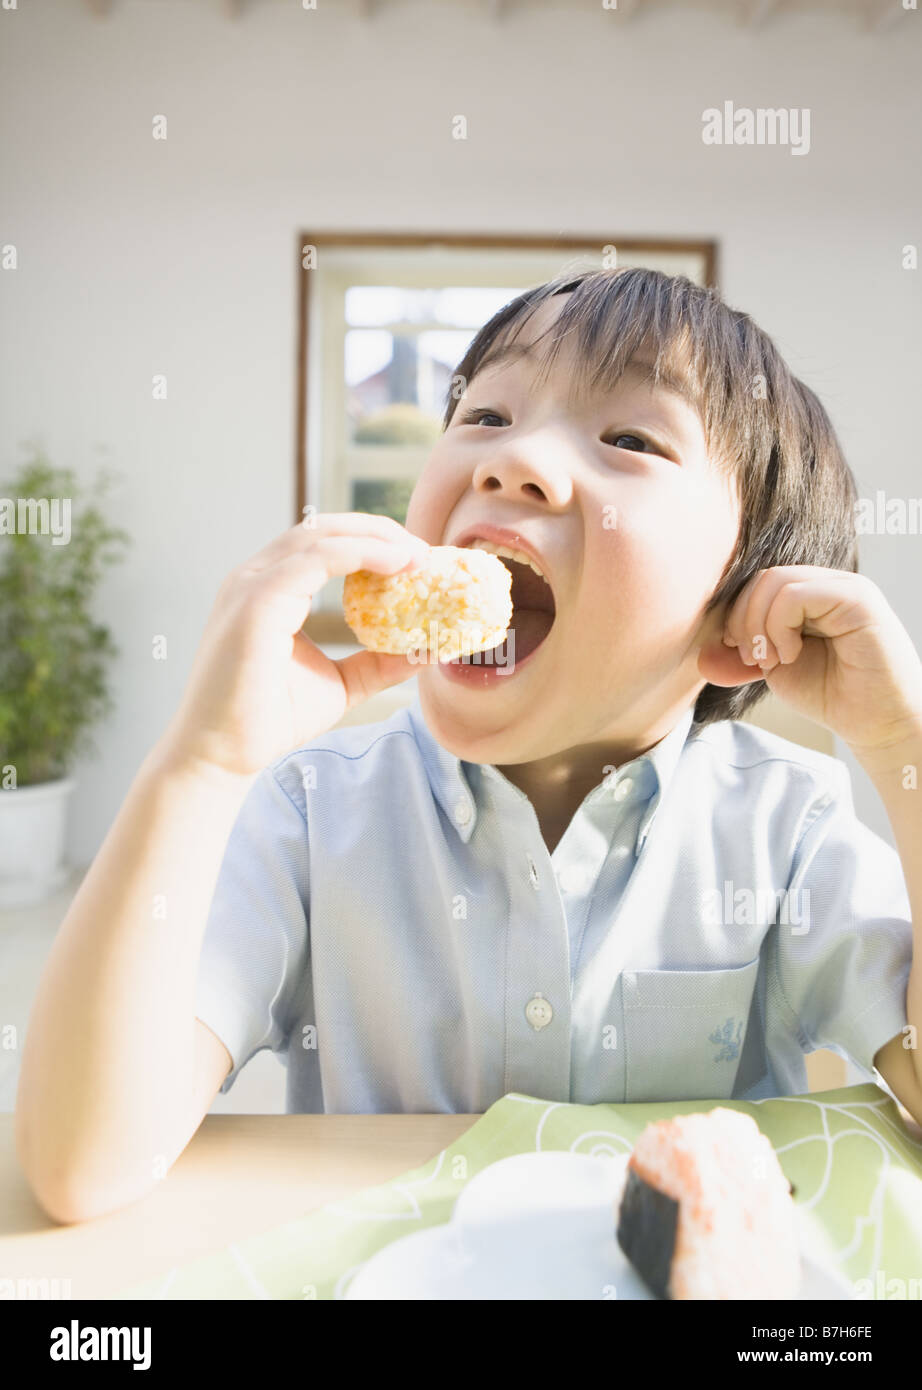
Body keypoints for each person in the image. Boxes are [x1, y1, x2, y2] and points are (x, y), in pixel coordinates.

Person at [16, 266, 922, 1223]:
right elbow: (85, 1165)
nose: (512, 458)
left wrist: (903, 744)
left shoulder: (787, 824)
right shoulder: (311, 815)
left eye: (629, 437)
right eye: (484, 416)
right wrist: (201, 765)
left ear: (741, 615)